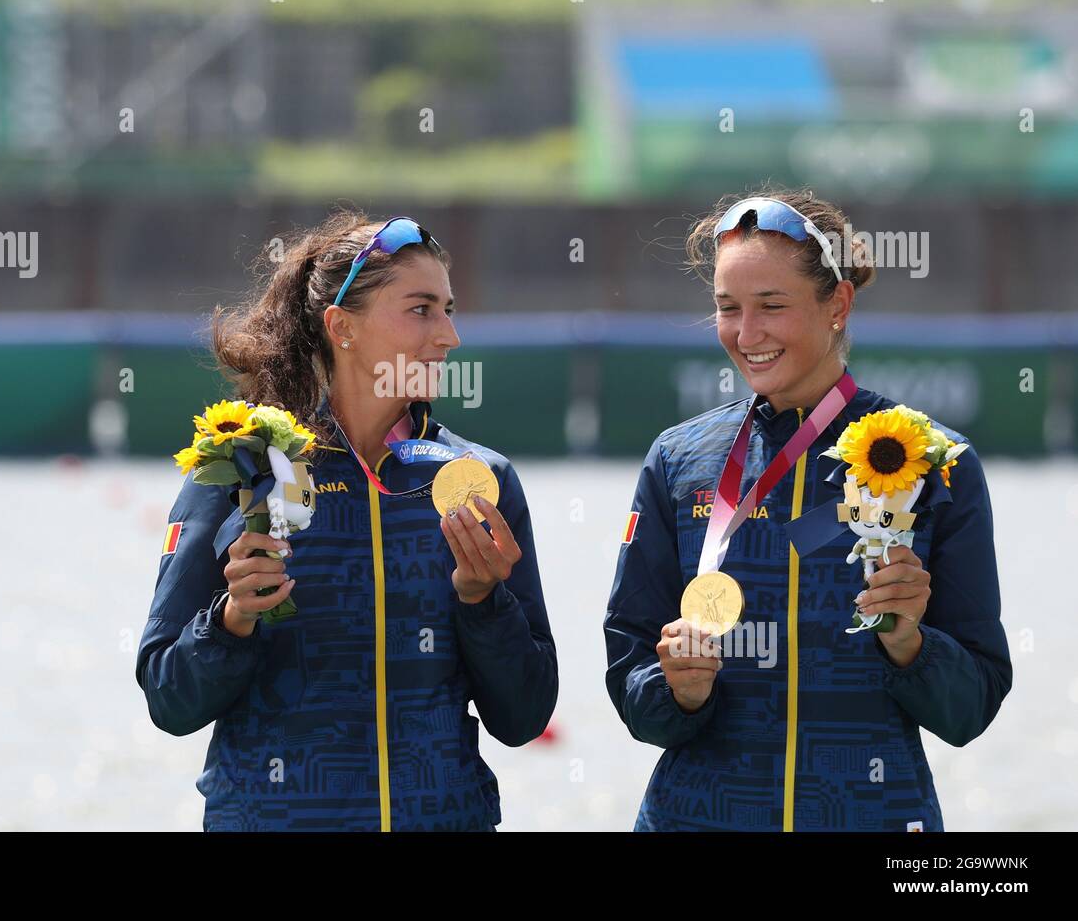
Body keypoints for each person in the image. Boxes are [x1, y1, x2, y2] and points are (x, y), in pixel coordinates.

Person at [137, 209, 558, 831]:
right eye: (422, 309)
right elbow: (168, 699)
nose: (449, 335)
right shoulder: (242, 467)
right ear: (343, 327)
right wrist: (231, 621)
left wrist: (482, 602)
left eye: (449, 309)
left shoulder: (479, 481)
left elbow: (523, 719)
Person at [604, 189, 1011, 831]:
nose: (746, 334)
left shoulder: (935, 463)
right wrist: (674, 689)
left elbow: (972, 708)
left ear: (838, 305)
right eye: (727, 309)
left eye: (771, 306)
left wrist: (908, 643)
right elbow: (630, 683)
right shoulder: (677, 461)